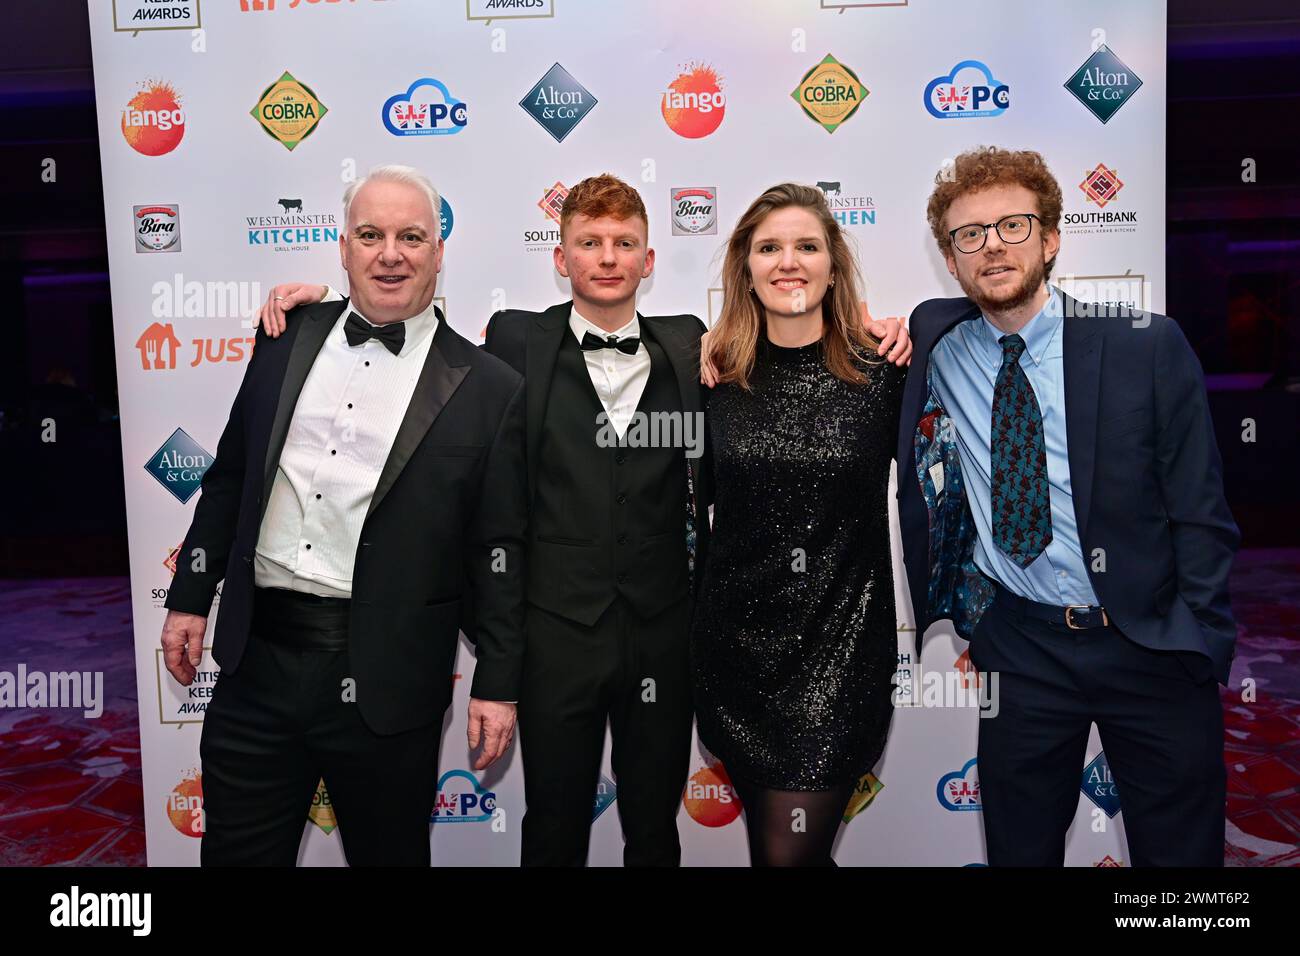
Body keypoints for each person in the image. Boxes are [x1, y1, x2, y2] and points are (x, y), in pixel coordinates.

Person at [255, 173, 912, 866]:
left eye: (624, 243)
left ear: (649, 261)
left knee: (655, 829)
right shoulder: (515, 340)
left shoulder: (693, 347)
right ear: (560, 257)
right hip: (554, 640)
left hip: (666, 637)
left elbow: (786, 355)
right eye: (589, 242)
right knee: (553, 825)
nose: (607, 257)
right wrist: (326, 304)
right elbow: (415, 331)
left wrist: (879, 326)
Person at [160, 164, 528, 866]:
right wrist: (189, 598)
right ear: (343, 246)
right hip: (253, 667)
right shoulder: (286, 335)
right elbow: (231, 477)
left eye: (411, 236)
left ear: (439, 251)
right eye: (371, 235)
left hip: (386, 683)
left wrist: (499, 683)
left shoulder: (490, 388)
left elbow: (498, 549)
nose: (390, 253)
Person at [897, 146, 1238, 865]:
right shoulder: (936, 345)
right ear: (951, 261)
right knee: (1020, 851)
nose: (992, 245)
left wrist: (1201, 642)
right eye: (969, 235)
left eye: (1013, 226)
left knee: (1181, 864)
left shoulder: (1145, 344)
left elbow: (1201, 510)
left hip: (1150, 644)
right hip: (1021, 650)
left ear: (1051, 239)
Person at [692, 183, 906, 866]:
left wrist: (913, 321)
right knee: (775, 853)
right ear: (746, 267)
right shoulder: (713, 375)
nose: (789, 261)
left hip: (841, 655)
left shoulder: (886, 369)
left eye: (807, 246)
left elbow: (984, 311)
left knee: (791, 856)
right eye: (770, 247)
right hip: (736, 656)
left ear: (834, 266)